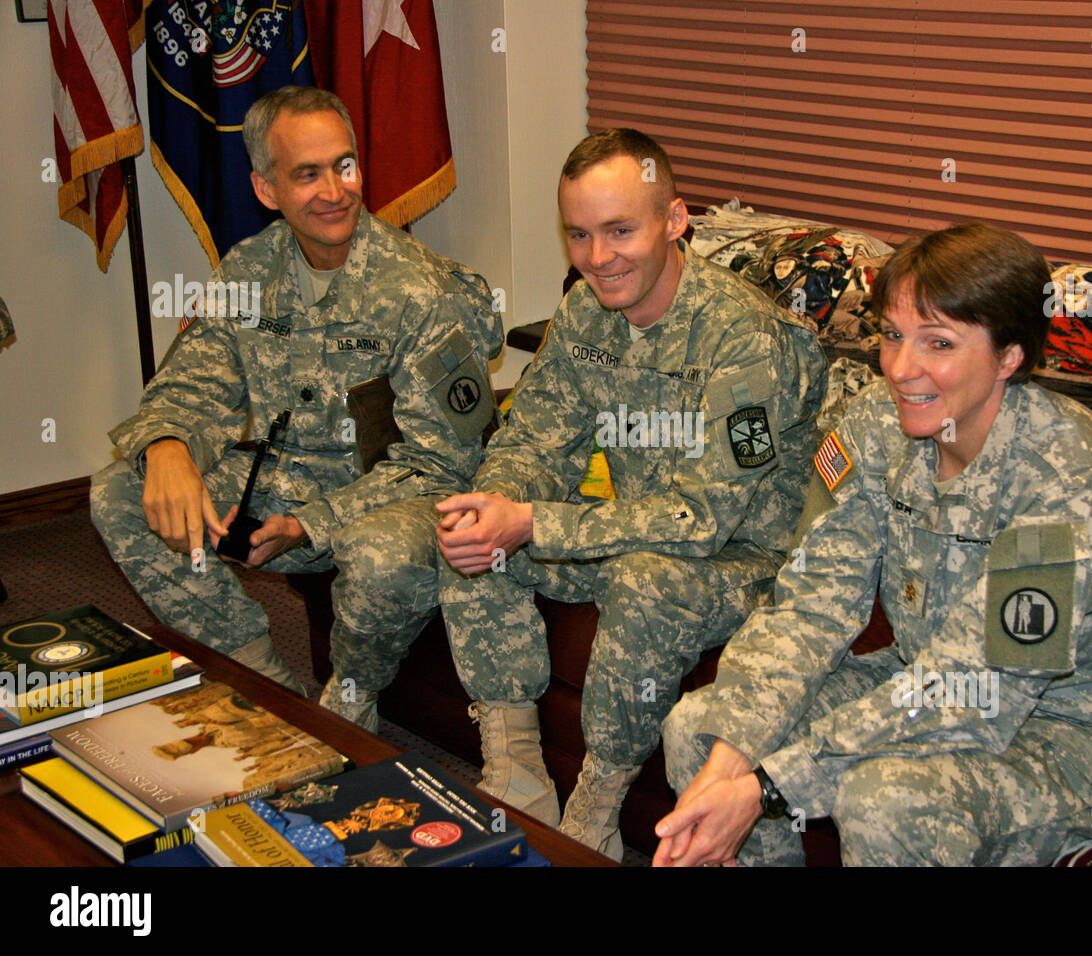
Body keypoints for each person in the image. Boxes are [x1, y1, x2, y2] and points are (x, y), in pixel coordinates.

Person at [653, 222, 1092, 866]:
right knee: (699, 730)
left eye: (939, 343)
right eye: (894, 335)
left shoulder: (1075, 481)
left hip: (1068, 732)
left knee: (886, 799)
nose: (901, 368)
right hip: (920, 680)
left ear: (1009, 356)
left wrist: (766, 786)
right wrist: (731, 758)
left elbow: (979, 688)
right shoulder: (876, 421)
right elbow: (812, 604)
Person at [433, 129, 827, 859]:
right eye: (579, 234)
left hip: (737, 562)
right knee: (469, 530)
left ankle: (597, 804)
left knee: (645, 583)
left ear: (675, 221)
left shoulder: (746, 340)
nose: (598, 257)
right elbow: (532, 443)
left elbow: (702, 519)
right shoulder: (586, 313)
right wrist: (498, 503)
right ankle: (516, 763)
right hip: (631, 533)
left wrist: (535, 523)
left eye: (621, 230)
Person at [91, 86, 502, 731]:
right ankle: (258, 677)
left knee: (375, 553)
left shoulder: (423, 290)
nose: (334, 191)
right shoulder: (247, 272)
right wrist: (167, 444)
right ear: (265, 188)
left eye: (344, 166)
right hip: (274, 488)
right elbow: (190, 382)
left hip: (382, 501)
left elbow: (446, 464)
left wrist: (312, 524)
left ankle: (350, 700)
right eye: (307, 174)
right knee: (120, 491)